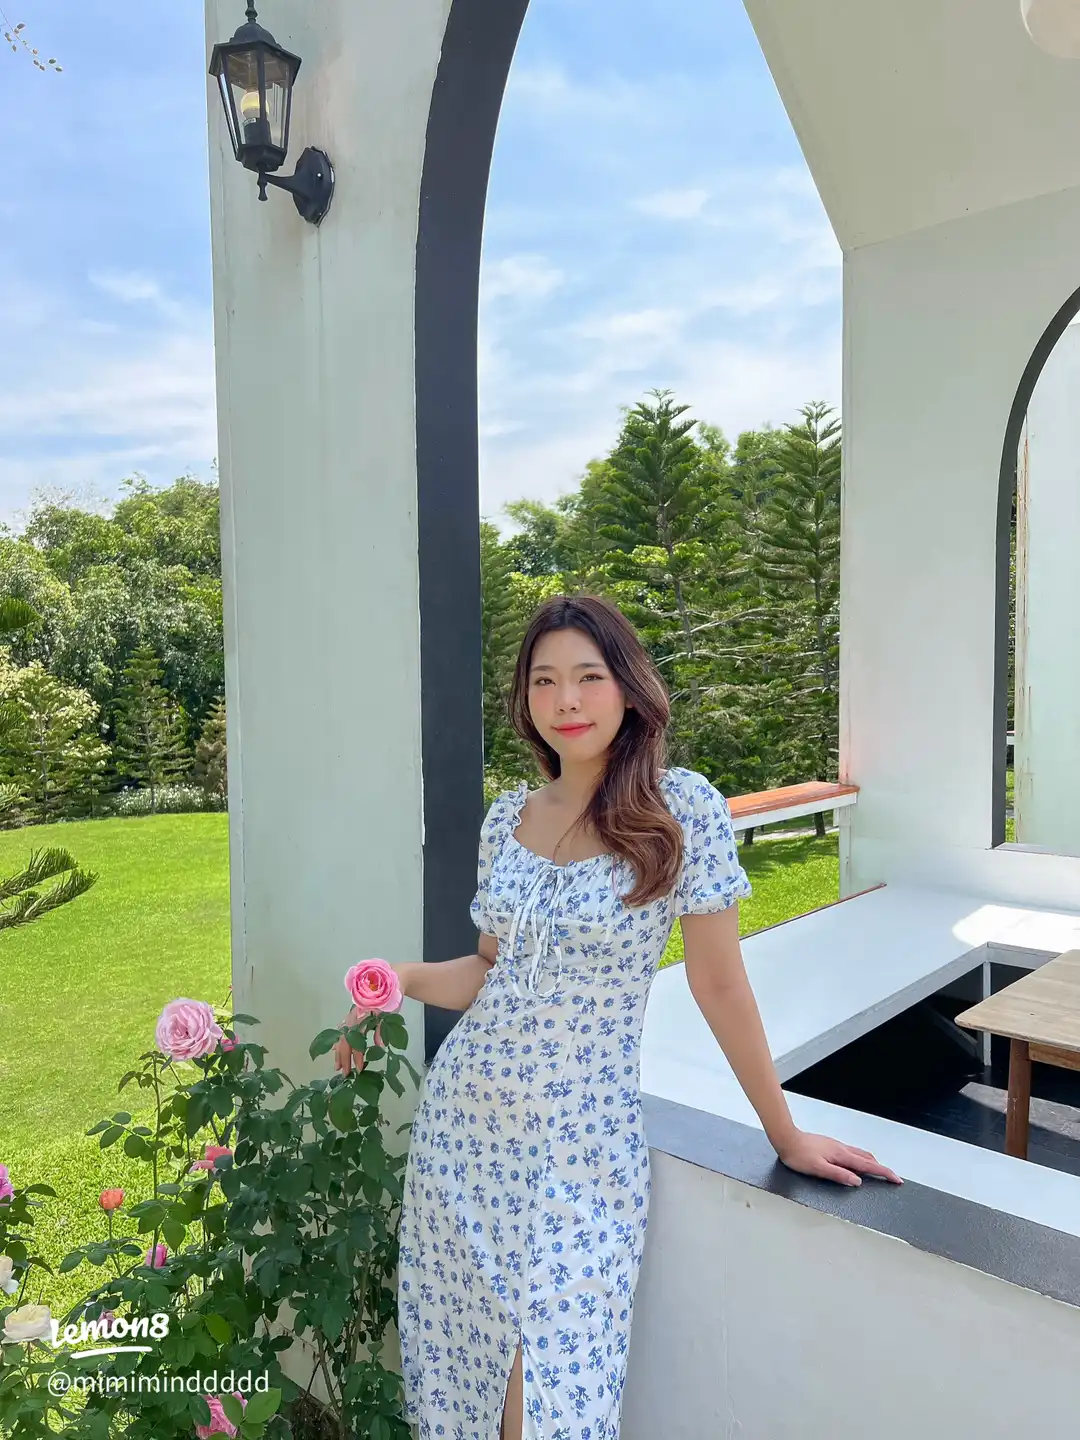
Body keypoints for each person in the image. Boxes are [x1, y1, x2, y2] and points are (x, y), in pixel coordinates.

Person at [334, 593, 900, 1440]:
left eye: (589, 678)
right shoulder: (509, 820)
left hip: (581, 1152)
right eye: (545, 681)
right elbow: (489, 971)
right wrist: (398, 979)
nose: (567, 701)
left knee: (552, 1401)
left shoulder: (682, 810)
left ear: (628, 689)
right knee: (459, 1383)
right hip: (464, 1139)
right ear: (524, 699)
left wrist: (784, 1133)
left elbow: (720, 986)